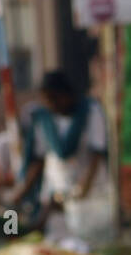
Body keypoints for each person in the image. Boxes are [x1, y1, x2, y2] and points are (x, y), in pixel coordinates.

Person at [13, 71, 108, 237]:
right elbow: (40, 160)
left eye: (54, 98)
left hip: (91, 196)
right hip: (57, 197)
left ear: (65, 94)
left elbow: (97, 153)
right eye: (47, 99)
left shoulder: (90, 111)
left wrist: (83, 188)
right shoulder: (45, 120)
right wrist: (21, 192)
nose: (51, 104)